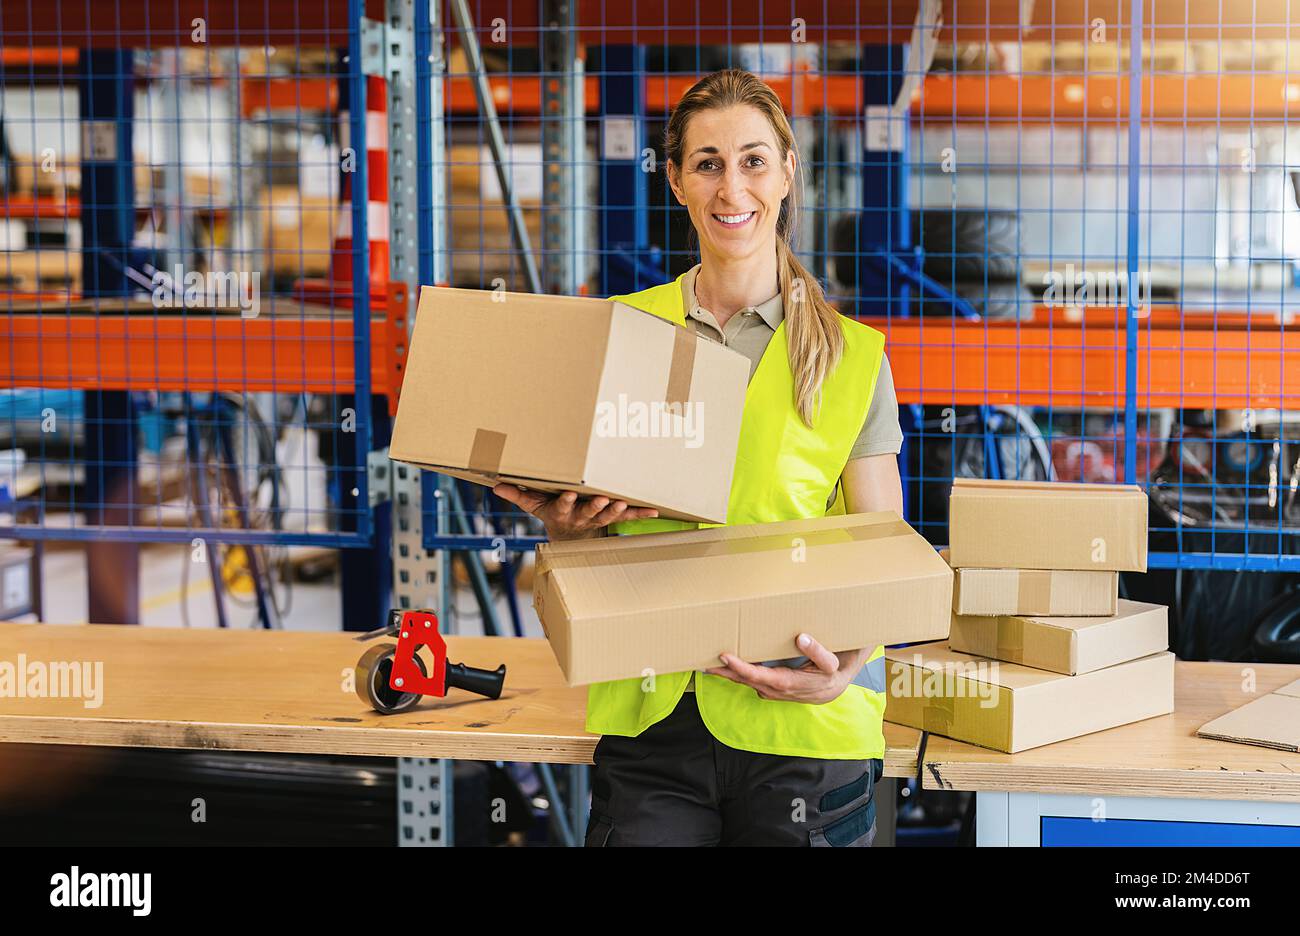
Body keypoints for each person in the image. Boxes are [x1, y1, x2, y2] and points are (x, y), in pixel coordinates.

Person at [494, 68, 904, 846]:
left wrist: (847, 665)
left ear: (786, 171)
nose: (731, 187)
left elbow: (882, 560)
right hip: (655, 724)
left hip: (803, 732)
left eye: (752, 160)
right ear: (677, 180)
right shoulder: (619, 333)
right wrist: (568, 528)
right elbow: (586, 553)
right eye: (708, 163)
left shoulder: (852, 358)